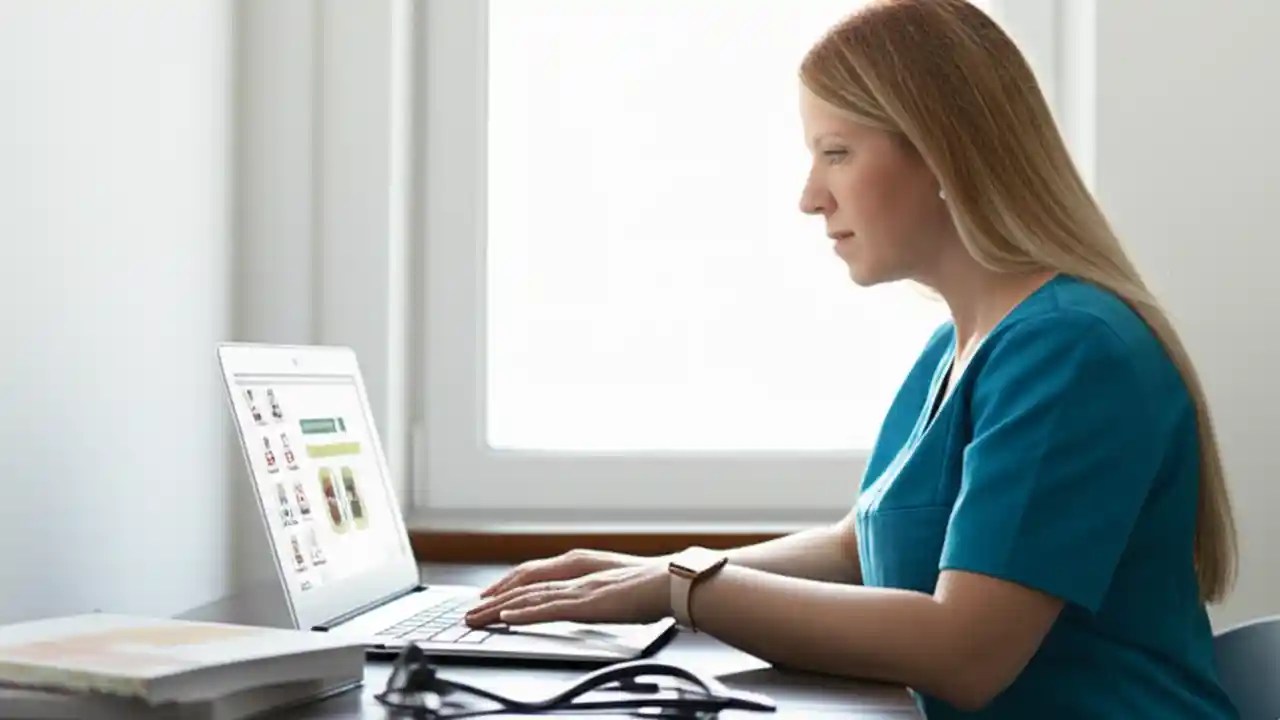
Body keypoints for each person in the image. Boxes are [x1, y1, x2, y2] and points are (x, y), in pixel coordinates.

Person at [463, 1, 1240, 717]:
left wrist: (683, 588)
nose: (811, 196)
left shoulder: (1068, 352)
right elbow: (853, 550)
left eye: (836, 153)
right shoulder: (958, 347)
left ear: (944, 154)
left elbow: (967, 651)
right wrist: (652, 572)